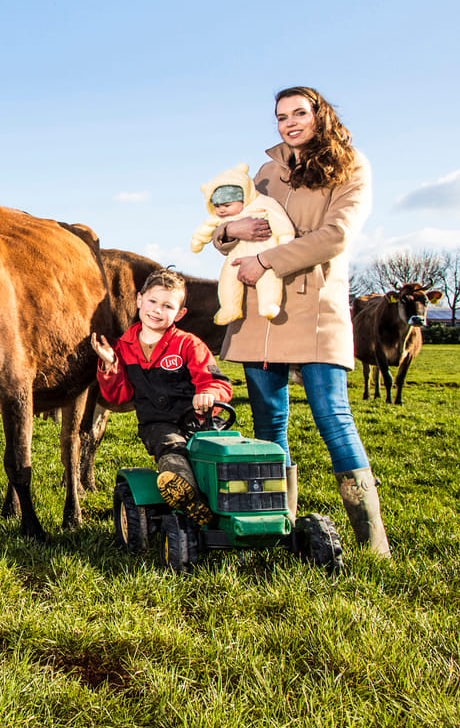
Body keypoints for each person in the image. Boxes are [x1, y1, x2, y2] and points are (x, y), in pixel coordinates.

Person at [213, 85, 390, 556]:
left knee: (333, 416)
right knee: (269, 422)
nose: (289, 123)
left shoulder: (350, 165)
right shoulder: (266, 173)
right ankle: (279, 526)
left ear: (319, 115)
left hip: (314, 306)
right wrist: (229, 230)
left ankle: (372, 541)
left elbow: (336, 236)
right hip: (259, 309)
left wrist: (267, 260)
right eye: (281, 116)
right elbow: (226, 224)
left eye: (298, 113)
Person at [91, 269, 232, 525]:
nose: (157, 310)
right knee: (171, 448)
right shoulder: (124, 348)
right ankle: (188, 498)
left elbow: (217, 382)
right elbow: (119, 395)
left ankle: (234, 500)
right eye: (153, 301)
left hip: (201, 422)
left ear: (180, 314)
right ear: (139, 300)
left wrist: (208, 393)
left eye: (167, 306)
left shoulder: (189, 344)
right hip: (159, 425)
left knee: (224, 452)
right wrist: (110, 365)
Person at [191, 163, 295, 325]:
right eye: (217, 206)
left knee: (269, 278)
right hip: (236, 256)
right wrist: (223, 232)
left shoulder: (262, 205)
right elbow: (208, 228)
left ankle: (269, 304)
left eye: (226, 205)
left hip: (265, 250)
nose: (222, 210)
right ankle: (229, 308)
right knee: (227, 279)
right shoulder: (223, 217)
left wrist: (284, 240)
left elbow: (280, 222)